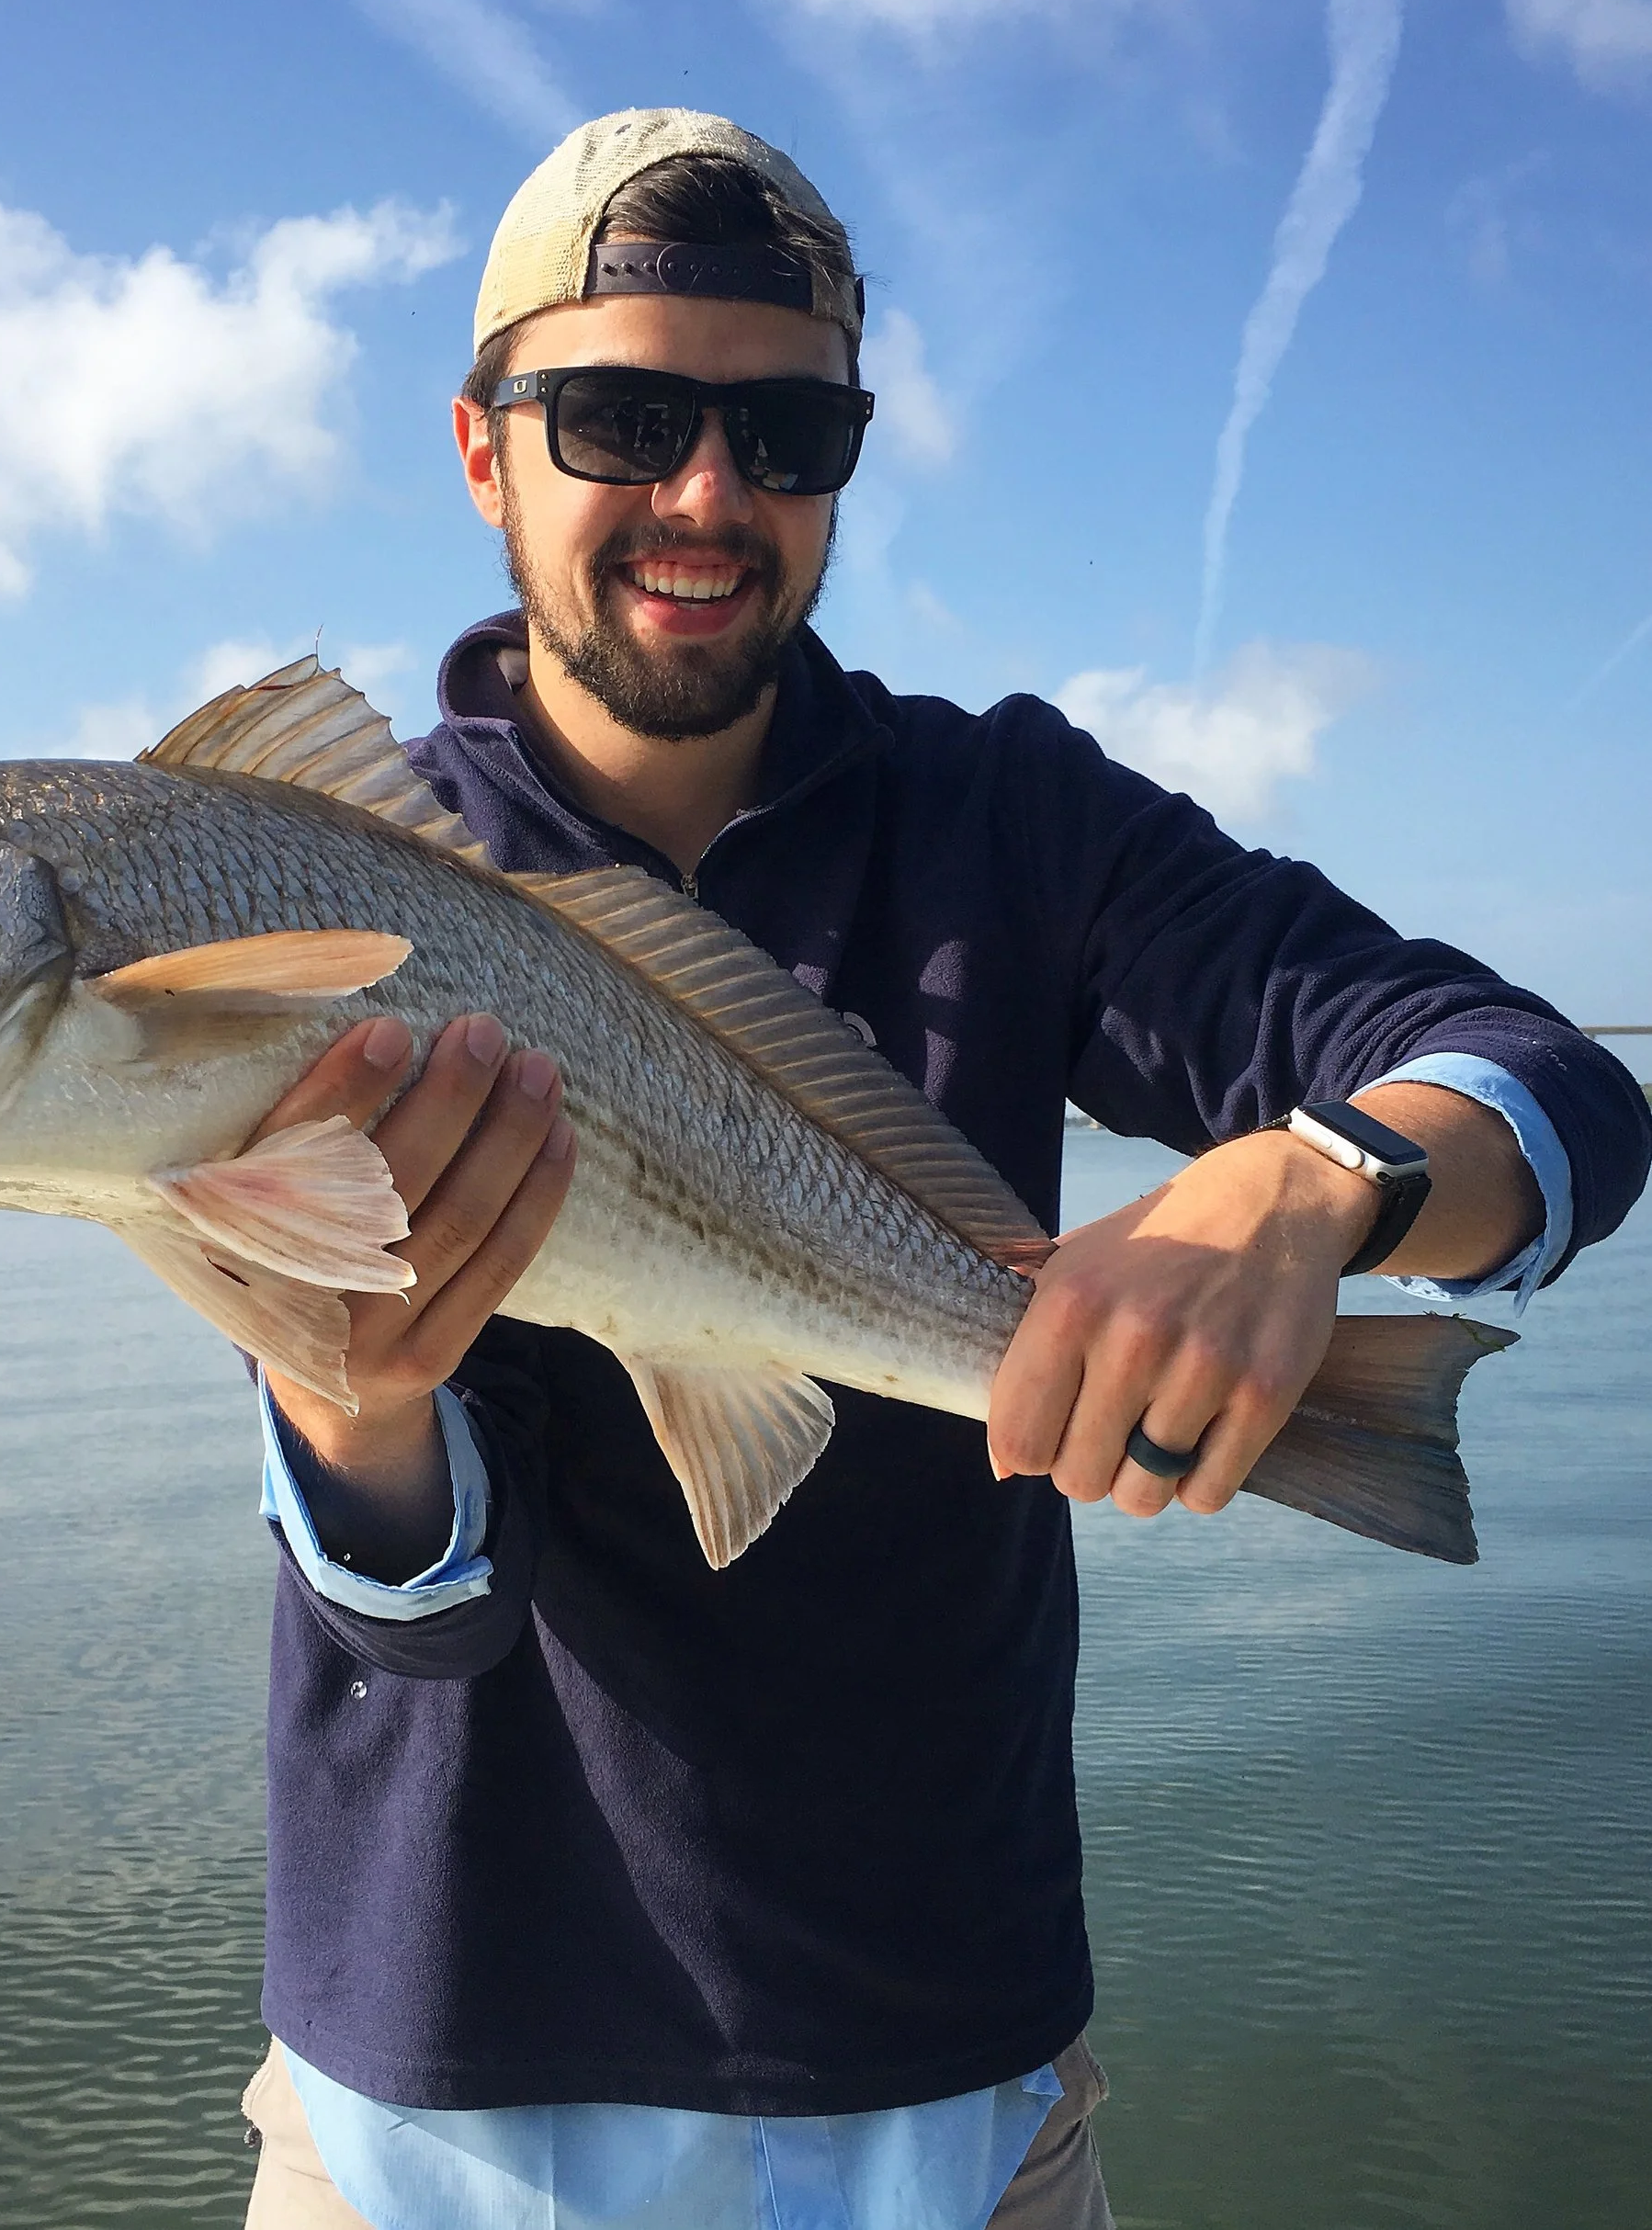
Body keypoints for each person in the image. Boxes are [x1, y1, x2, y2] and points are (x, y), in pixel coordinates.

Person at [228, 109, 1652, 2230]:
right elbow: (423, 1625)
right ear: (476, 445)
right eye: (617, 417)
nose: (704, 495)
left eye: (786, 429)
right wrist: (352, 1401)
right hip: (425, 2084)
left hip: (955, 2088)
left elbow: (1547, 1084)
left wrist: (1318, 1178)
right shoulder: (335, 884)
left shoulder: (1010, 820)